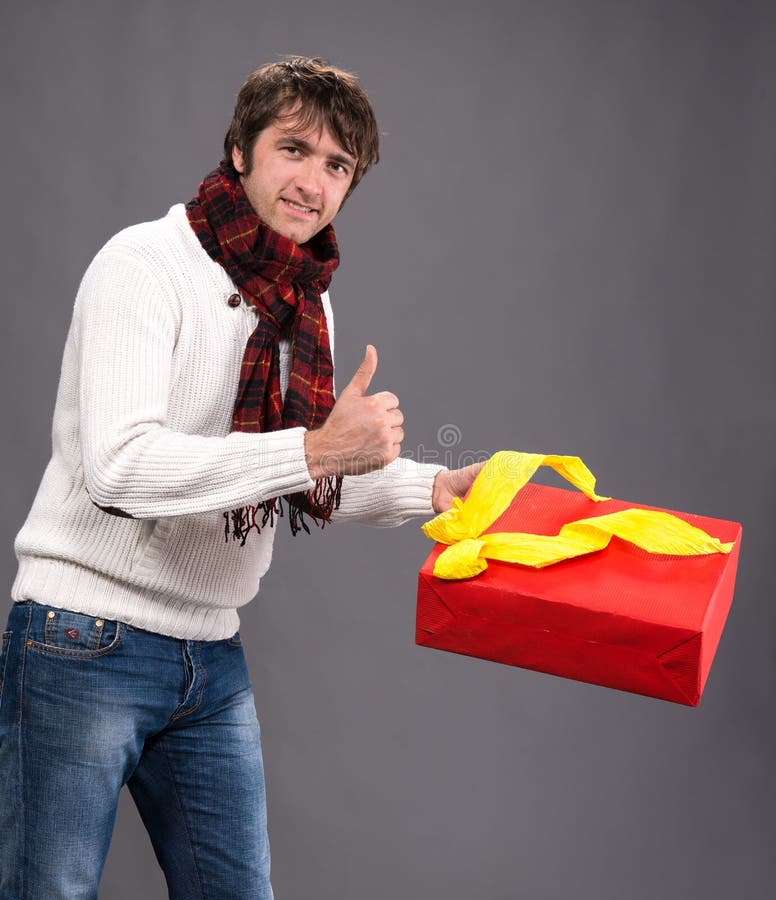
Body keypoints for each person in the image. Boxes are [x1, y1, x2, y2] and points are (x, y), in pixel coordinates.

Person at [0, 57, 482, 899]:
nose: (314, 181)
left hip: (210, 653)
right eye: (294, 149)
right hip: (83, 638)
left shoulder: (303, 297)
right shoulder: (143, 265)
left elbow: (297, 473)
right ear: (238, 150)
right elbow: (121, 468)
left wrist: (434, 490)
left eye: (338, 165)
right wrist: (318, 451)